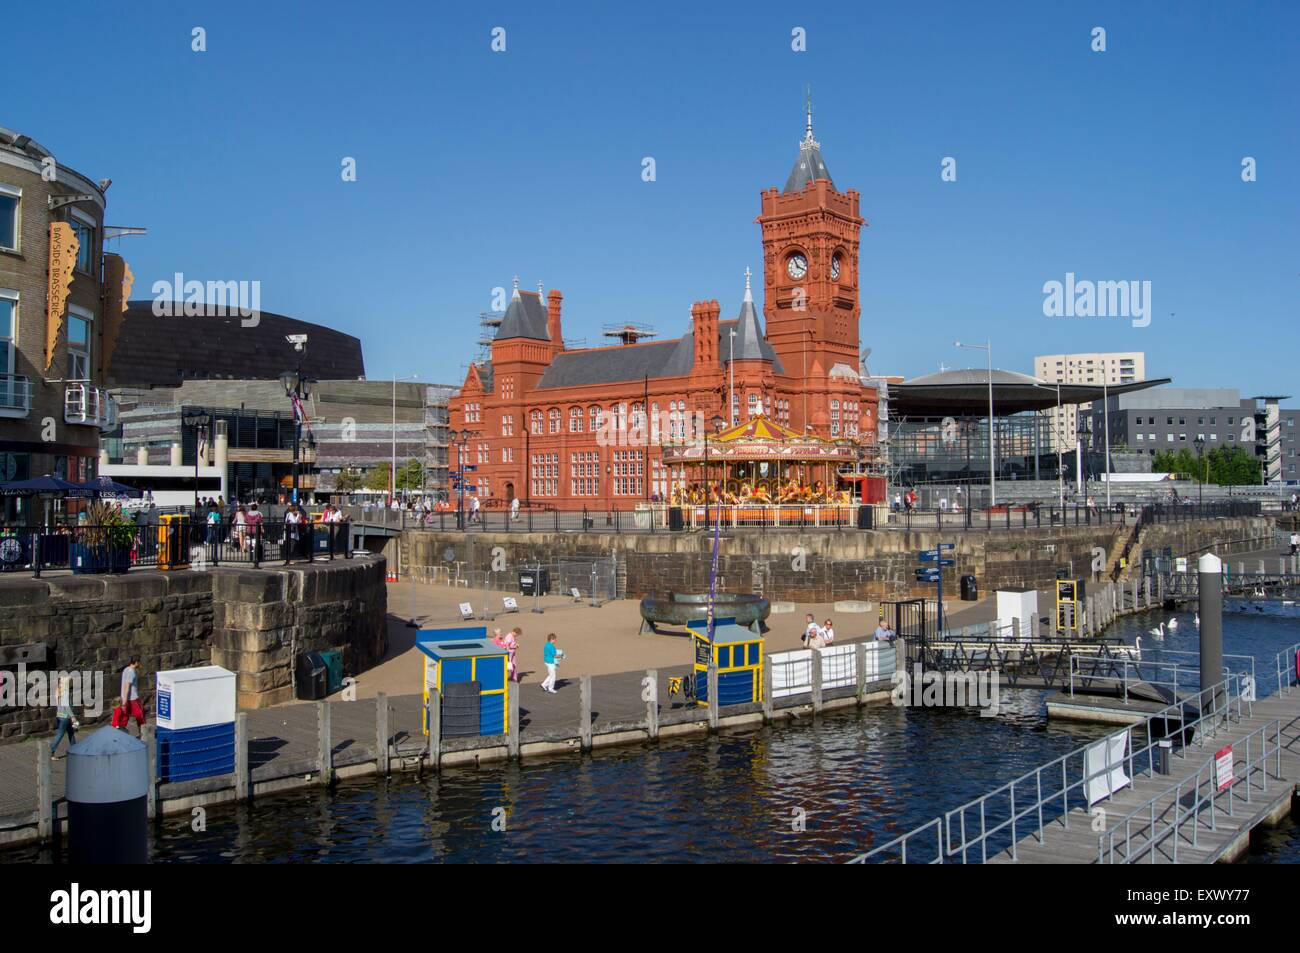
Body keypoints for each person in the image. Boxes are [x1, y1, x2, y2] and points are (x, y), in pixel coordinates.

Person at [50, 675, 79, 759]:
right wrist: (72, 716)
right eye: (70, 682)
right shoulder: (66, 693)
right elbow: (67, 707)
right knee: (60, 734)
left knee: (71, 733)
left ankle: (75, 750)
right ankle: (50, 752)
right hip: (65, 717)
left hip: (60, 715)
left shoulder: (58, 691)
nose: (72, 684)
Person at [118, 659, 145, 737]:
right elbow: (127, 686)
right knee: (140, 715)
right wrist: (125, 700)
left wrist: (124, 698)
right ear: (136, 662)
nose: (140, 664)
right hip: (132, 698)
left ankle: (120, 734)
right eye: (139, 662)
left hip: (125, 697)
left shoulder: (126, 669)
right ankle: (142, 734)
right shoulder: (131, 672)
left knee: (124, 716)